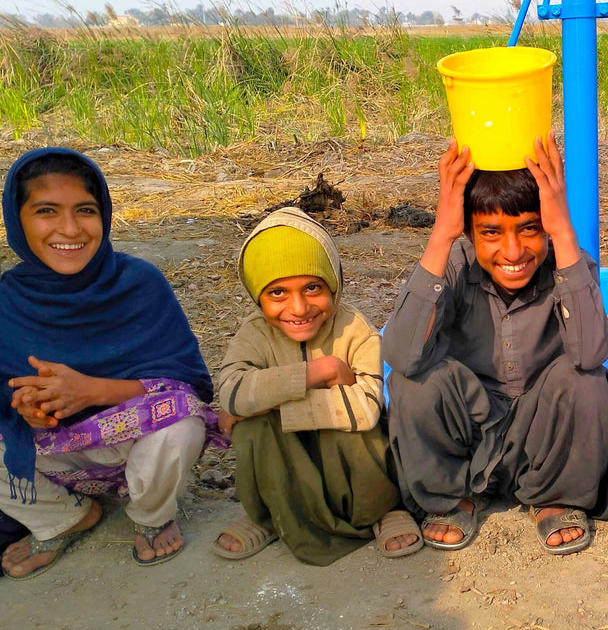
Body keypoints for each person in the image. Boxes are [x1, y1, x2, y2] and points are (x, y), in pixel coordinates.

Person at [383, 134, 608, 554]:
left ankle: (554, 495)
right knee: (413, 381)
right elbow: (400, 355)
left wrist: (563, 231)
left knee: (586, 379)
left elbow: (592, 352)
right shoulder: (453, 266)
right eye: (491, 233)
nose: (513, 251)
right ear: (469, 232)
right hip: (469, 433)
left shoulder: (568, 265)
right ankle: (453, 495)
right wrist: (442, 234)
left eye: (529, 229)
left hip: (541, 437)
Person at [0, 148, 216, 579]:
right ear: (16, 220)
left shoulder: (139, 283)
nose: (69, 229)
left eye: (85, 210)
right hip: (51, 457)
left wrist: (90, 391)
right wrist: (28, 410)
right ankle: (64, 516)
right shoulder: (7, 300)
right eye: (46, 211)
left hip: (137, 446)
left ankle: (151, 514)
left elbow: (188, 385)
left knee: (183, 419)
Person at [214, 207, 417, 565]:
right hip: (287, 457)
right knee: (252, 430)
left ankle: (383, 510)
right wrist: (320, 372)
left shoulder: (355, 329)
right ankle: (269, 515)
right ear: (257, 296)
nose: (298, 307)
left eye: (312, 287)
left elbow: (366, 407)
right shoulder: (254, 333)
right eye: (277, 292)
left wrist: (263, 403)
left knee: (353, 427)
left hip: (350, 473)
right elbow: (230, 393)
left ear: (333, 284)